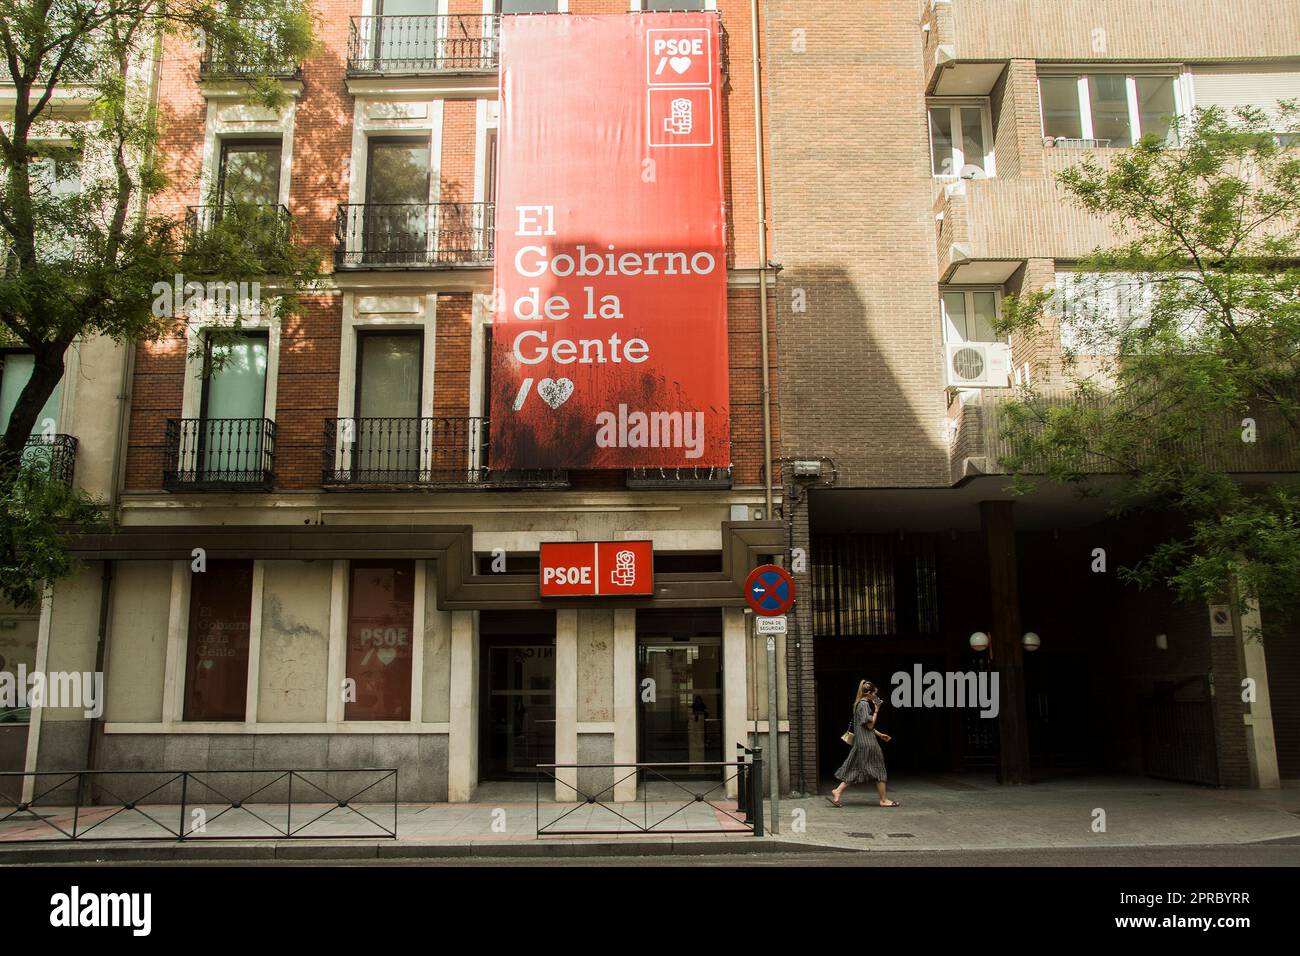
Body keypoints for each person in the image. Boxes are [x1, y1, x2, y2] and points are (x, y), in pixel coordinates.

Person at [828, 680, 899, 807]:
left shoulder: (857, 704)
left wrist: (880, 735)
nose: (875, 697)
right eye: (874, 694)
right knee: (879, 769)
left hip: (861, 742)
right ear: (869, 693)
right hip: (868, 743)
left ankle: (837, 791)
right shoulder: (865, 705)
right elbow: (870, 724)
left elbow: (865, 727)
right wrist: (877, 710)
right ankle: (883, 800)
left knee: (857, 769)